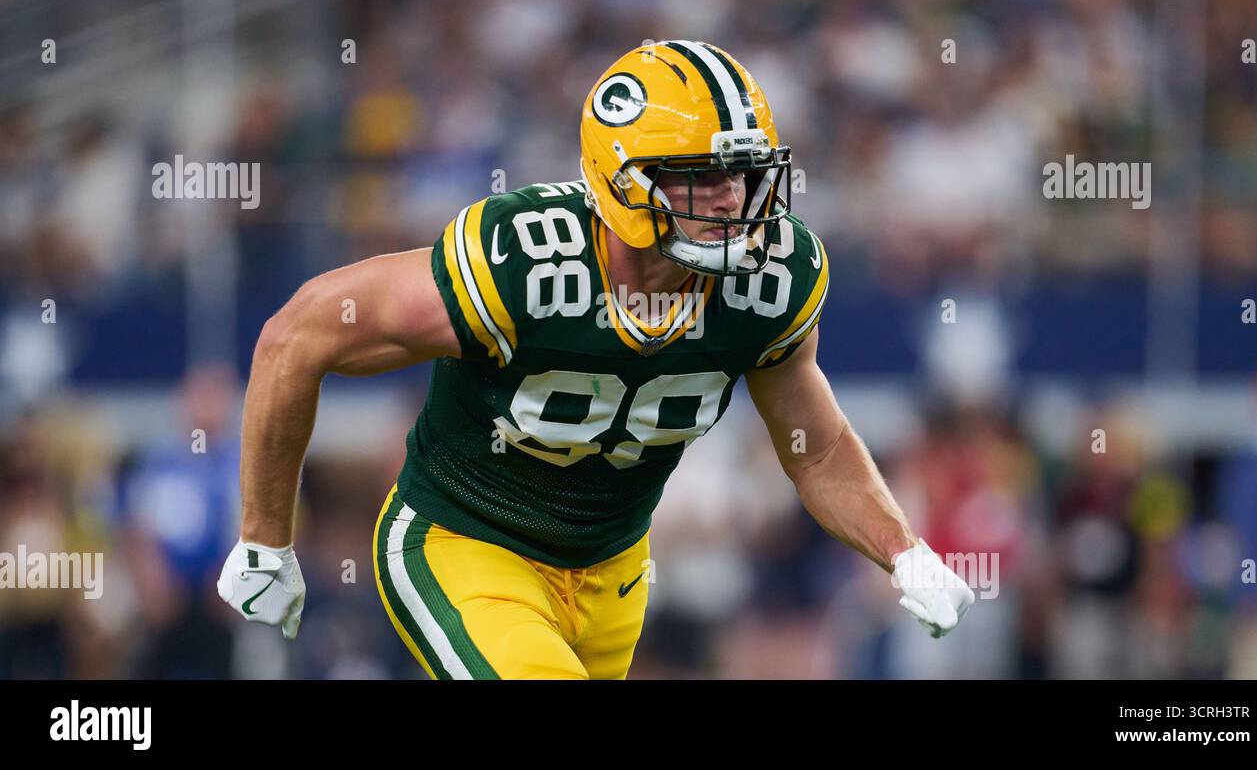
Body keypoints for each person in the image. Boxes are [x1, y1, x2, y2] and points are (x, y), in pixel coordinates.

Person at [217, 41, 973, 679]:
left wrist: (902, 551)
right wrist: (264, 537)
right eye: (700, 176)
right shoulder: (525, 263)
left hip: (613, 573)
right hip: (464, 541)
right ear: (622, 180)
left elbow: (818, 448)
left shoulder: (770, 281)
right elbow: (297, 336)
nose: (731, 198)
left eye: (741, 173)